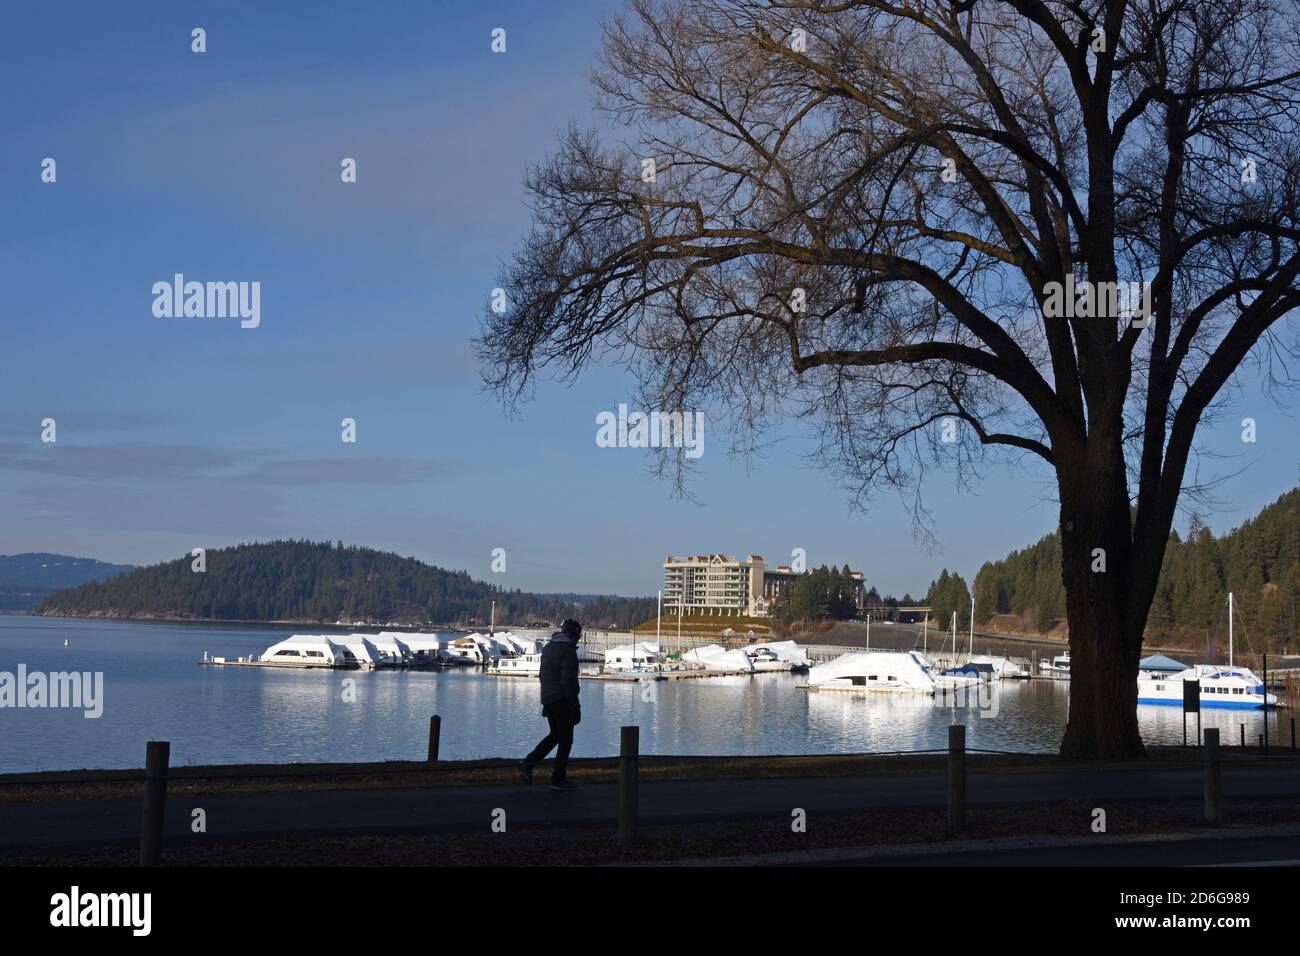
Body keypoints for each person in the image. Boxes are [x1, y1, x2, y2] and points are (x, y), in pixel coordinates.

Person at [519, 618, 582, 791]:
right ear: (574, 634)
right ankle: (558, 778)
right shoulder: (568, 650)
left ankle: (528, 763)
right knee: (566, 739)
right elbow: (568, 681)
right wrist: (575, 704)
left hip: (548, 697)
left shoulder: (549, 648)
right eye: (578, 635)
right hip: (562, 699)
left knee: (555, 735)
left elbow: (541, 675)